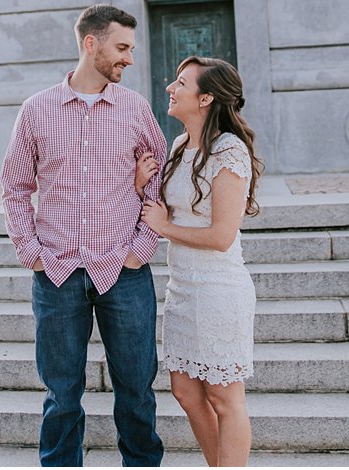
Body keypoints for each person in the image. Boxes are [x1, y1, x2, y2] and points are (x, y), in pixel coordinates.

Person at [1, 4, 169, 467]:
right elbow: (15, 187)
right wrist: (30, 252)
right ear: (90, 44)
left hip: (125, 271)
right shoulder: (36, 110)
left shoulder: (135, 108)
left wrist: (141, 249)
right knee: (62, 396)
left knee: (136, 391)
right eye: (121, 48)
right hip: (57, 273)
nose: (129, 59)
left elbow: (159, 179)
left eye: (130, 49)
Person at [137, 56, 263, 467]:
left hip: (219, 289)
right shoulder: (178, 146)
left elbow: (221, 236)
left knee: (224, 397)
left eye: (181, 82)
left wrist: (163, 228)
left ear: (206, 97)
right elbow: (169, 213)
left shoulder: (230, 151)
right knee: (187, 393)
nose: (170, 88)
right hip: (183, 288)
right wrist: (142, 187)